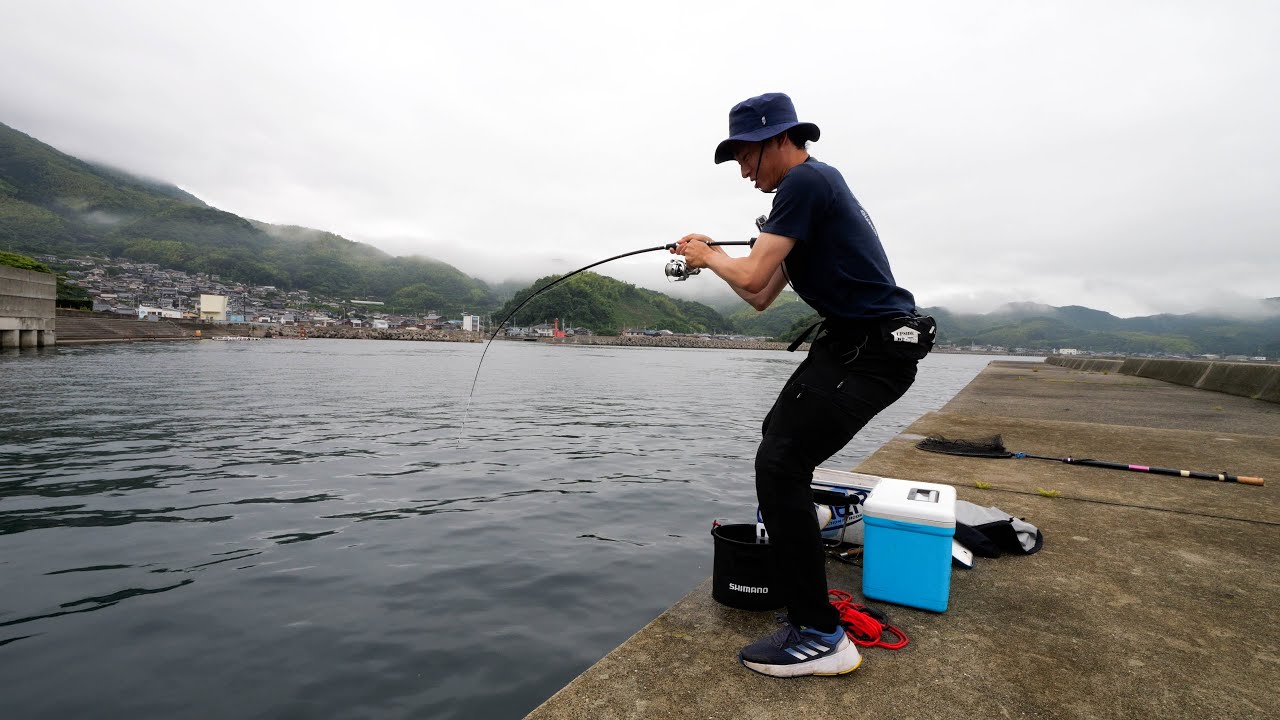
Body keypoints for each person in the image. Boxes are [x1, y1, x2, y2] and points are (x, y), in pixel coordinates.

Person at [673, 92, 932, 678]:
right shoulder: (802, 200)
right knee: (778, 446)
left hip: (876, 350)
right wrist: (710, 260)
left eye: (744, 155)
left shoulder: (807, 184)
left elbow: (754, 271)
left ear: (777, 140)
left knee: (782, 462)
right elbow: (761, 295)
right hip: (850, 345)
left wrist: (708, 252)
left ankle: (819, 633)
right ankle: (808, 589)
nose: (743, 171)